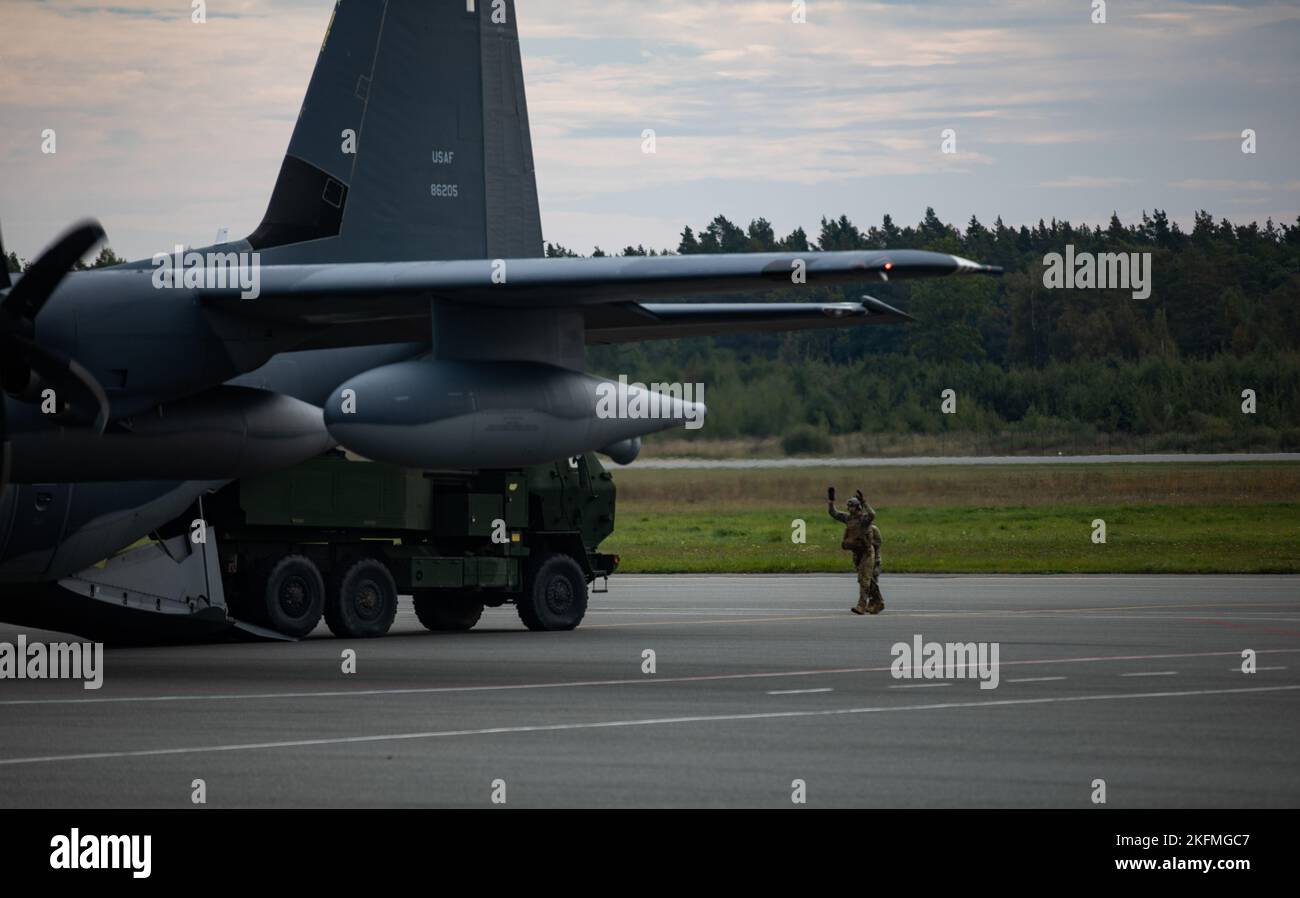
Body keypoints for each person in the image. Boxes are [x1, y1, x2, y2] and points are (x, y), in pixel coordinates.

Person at [827, 486, 876, 615]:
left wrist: (865, 502)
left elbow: (872, 514)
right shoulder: (848, 518)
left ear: (858, 507)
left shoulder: (864, 519)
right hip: (857, 553)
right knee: (864, 579)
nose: (849, 509)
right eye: (848, 506)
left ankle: (861, 606)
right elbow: (834, 513)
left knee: (864, 579)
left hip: (867, 552)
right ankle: (878, 601)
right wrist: (831, 501)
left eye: (852, 506)